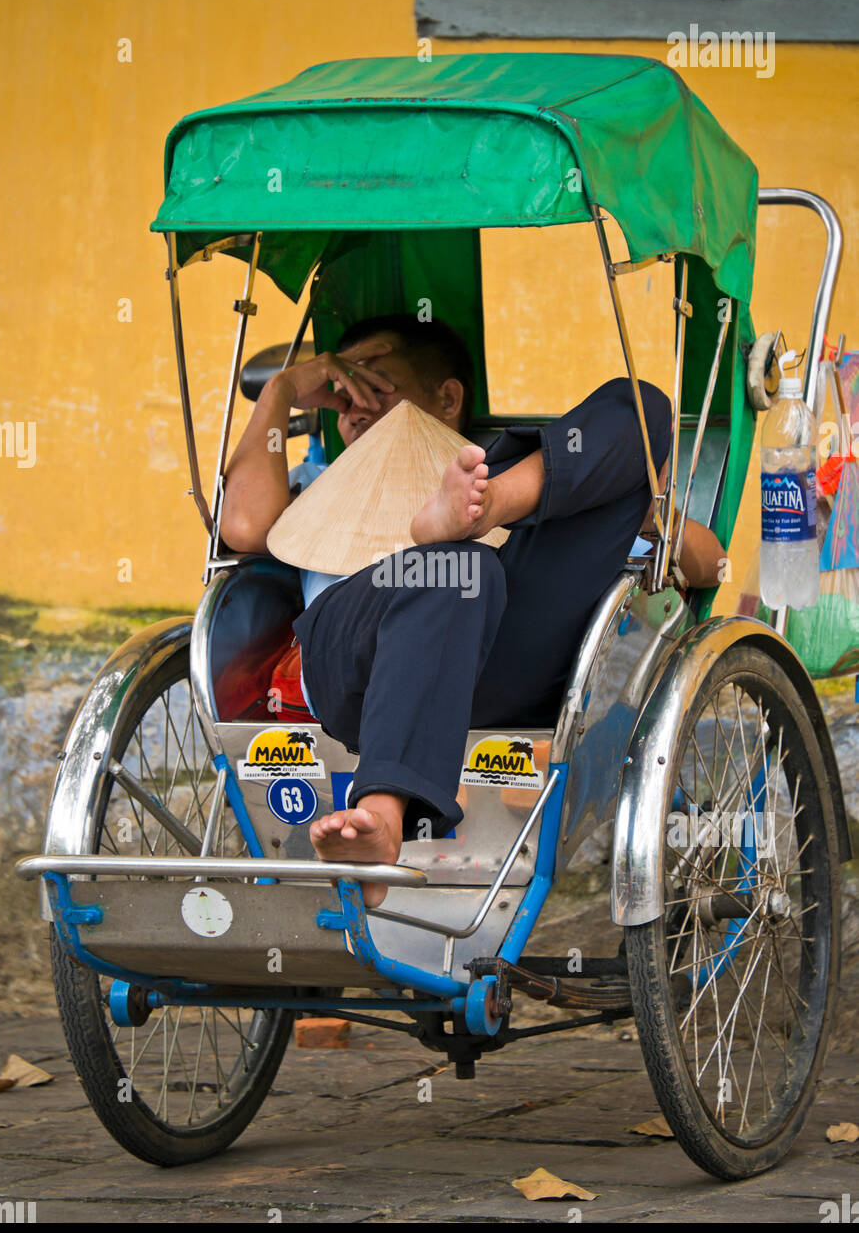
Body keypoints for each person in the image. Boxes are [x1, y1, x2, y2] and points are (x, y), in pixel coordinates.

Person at [221, 314, 726, 905]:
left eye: (375, 387)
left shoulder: (527, 486)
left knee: (641, 407)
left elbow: (710, 565)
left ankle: (485, 510)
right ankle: (381, 815)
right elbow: (243, 525)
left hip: (500, 662)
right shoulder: (320, 480)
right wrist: (283, 391)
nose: (353, 409)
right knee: (454, 569)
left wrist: (634, 496)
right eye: (342, 395)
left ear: (448, 397)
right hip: (356, 674)